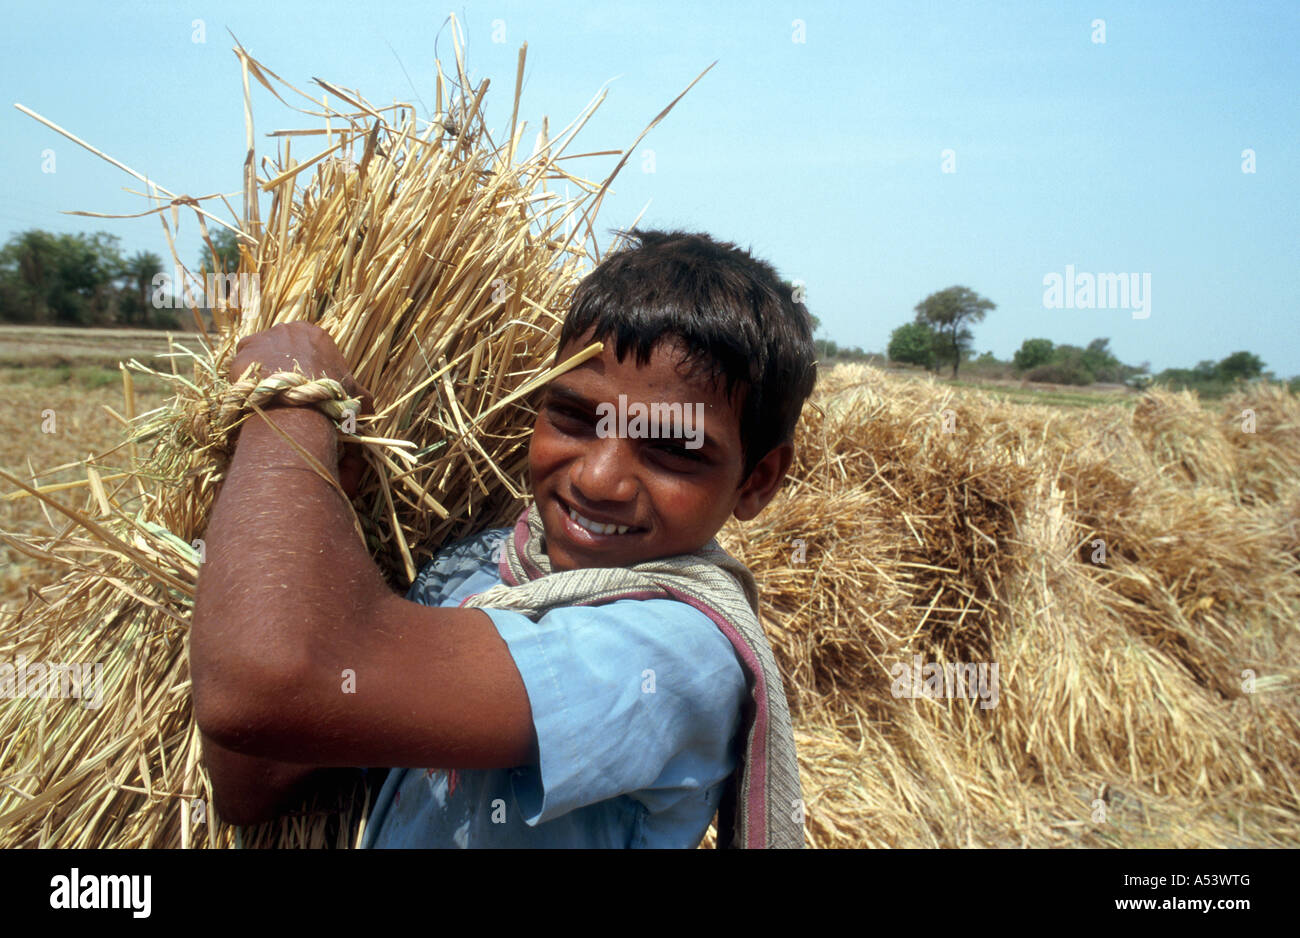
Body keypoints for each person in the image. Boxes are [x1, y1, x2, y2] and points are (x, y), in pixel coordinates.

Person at [191, 229, 818, 848]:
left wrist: (289, 411)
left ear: (757, 480)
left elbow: (266, 685)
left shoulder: (675, 654)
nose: (600, 480)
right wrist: (325, 491)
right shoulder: (475, 570)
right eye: (574, 417)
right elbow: (254, 778)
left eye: (674, 450)